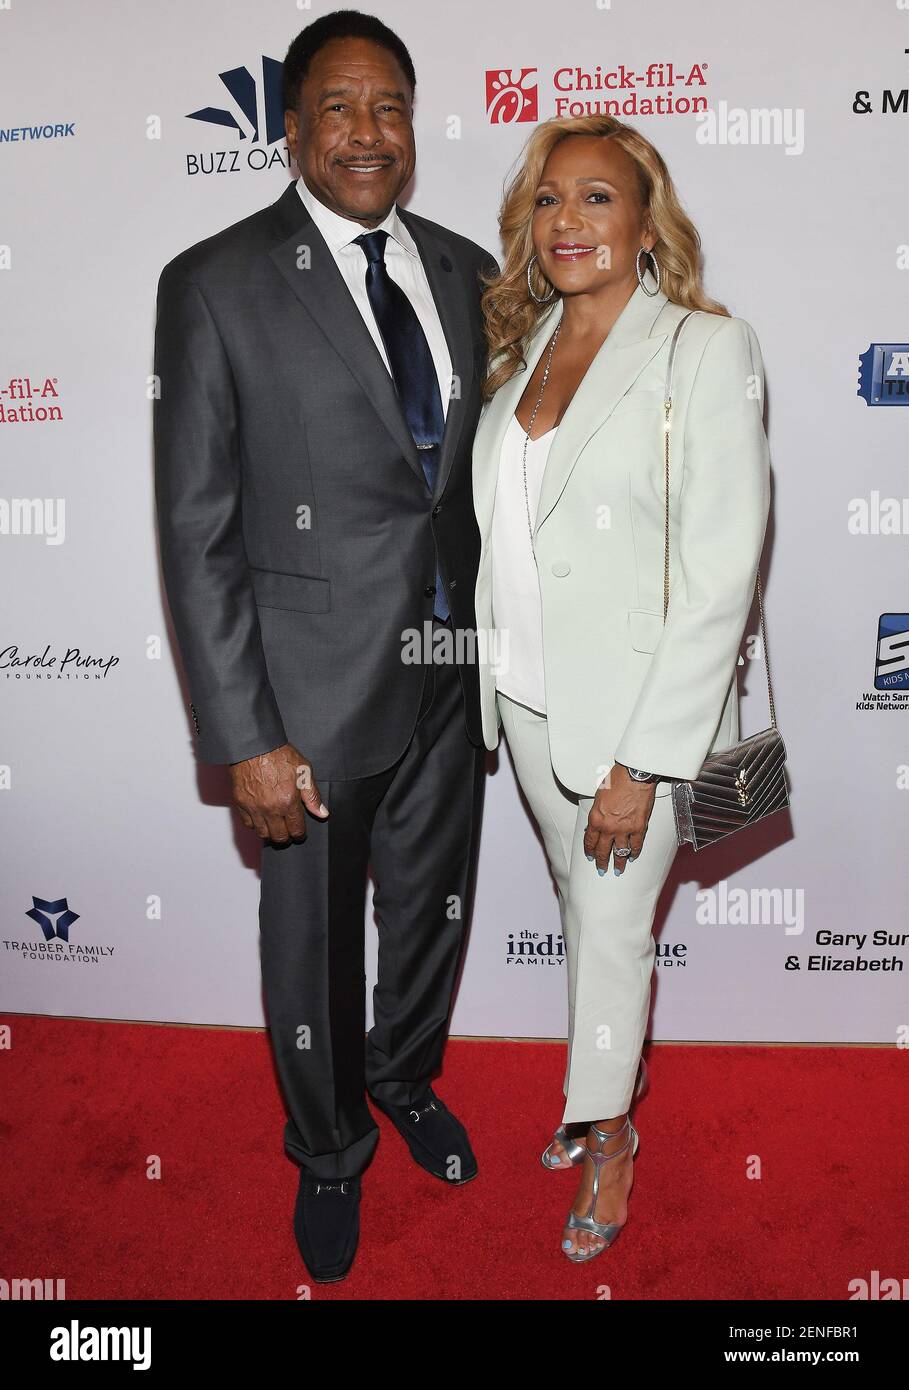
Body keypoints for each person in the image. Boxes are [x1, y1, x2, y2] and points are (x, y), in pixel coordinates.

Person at [153, 10, 496, 1283]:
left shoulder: (468, 272)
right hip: (300, 701)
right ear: (290, 127)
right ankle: (329, 1146)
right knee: (309, 942)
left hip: (450, 680)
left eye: (390, 106)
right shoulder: (215, 282)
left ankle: (403, 1078)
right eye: (339, 107)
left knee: (425, 919)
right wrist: (243, 735)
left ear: (415, 125)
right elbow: (195, 529)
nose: (368, 132)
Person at [473, 115, 771, 1261]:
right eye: (549, 200)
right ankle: (603, 1080)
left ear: (647, 221)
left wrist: (643, 766)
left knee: (608, 932)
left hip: (633, 728)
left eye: (598, 198)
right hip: (534, 707)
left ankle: (607, 1134)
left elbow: (719, 573)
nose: (568, 222)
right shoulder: (525, 348)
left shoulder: (705, 349)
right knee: (586, 917)